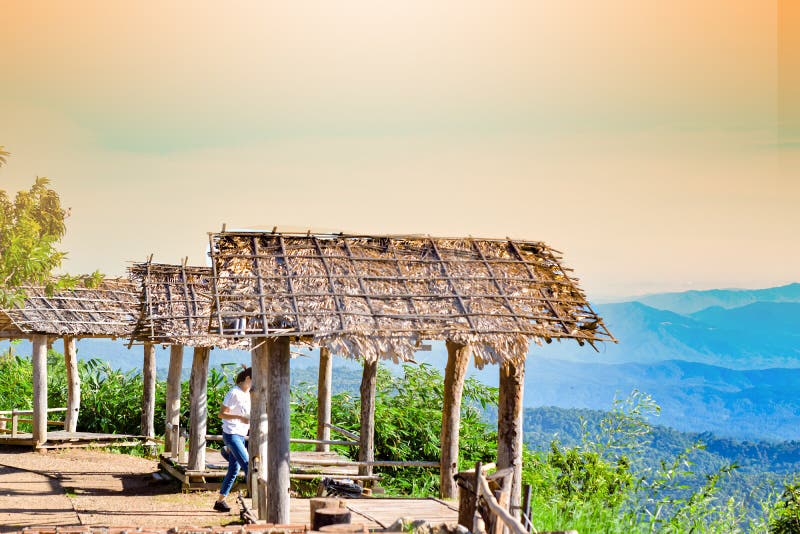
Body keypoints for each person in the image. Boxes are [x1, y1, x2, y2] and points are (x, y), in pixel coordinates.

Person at [214, 366, 252, 512]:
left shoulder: (248, 393)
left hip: (241, 434)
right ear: (247, 379)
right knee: (248, 464)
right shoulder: (233, 393)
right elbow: (221, 414)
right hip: (231, 434)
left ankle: (220, 501)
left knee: (234, 469)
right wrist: (239, 417)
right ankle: (257, 497)